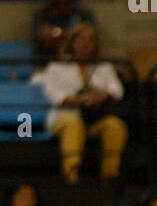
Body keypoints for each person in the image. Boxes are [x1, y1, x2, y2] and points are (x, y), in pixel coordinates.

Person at [38, 23, 127, 187]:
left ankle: (110, 174)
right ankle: (72, 172)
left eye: (90, 40)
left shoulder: (103, 66)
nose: (86, 44)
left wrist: (101, 96)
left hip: (94, 117)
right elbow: (54, 95)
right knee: (73, 123)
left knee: (115, 125)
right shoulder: (57, 67)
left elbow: (117, 89)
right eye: (81, 40)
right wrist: (79, 100)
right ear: (72, 43)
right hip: (65, 117)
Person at [32, 0, 97, 61]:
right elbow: (44, 38)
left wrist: (55, 33)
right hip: (47, 67)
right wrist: (74, 38)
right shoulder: (42, 14)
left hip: (79, 66)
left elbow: (91, 40)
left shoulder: (84, 14)